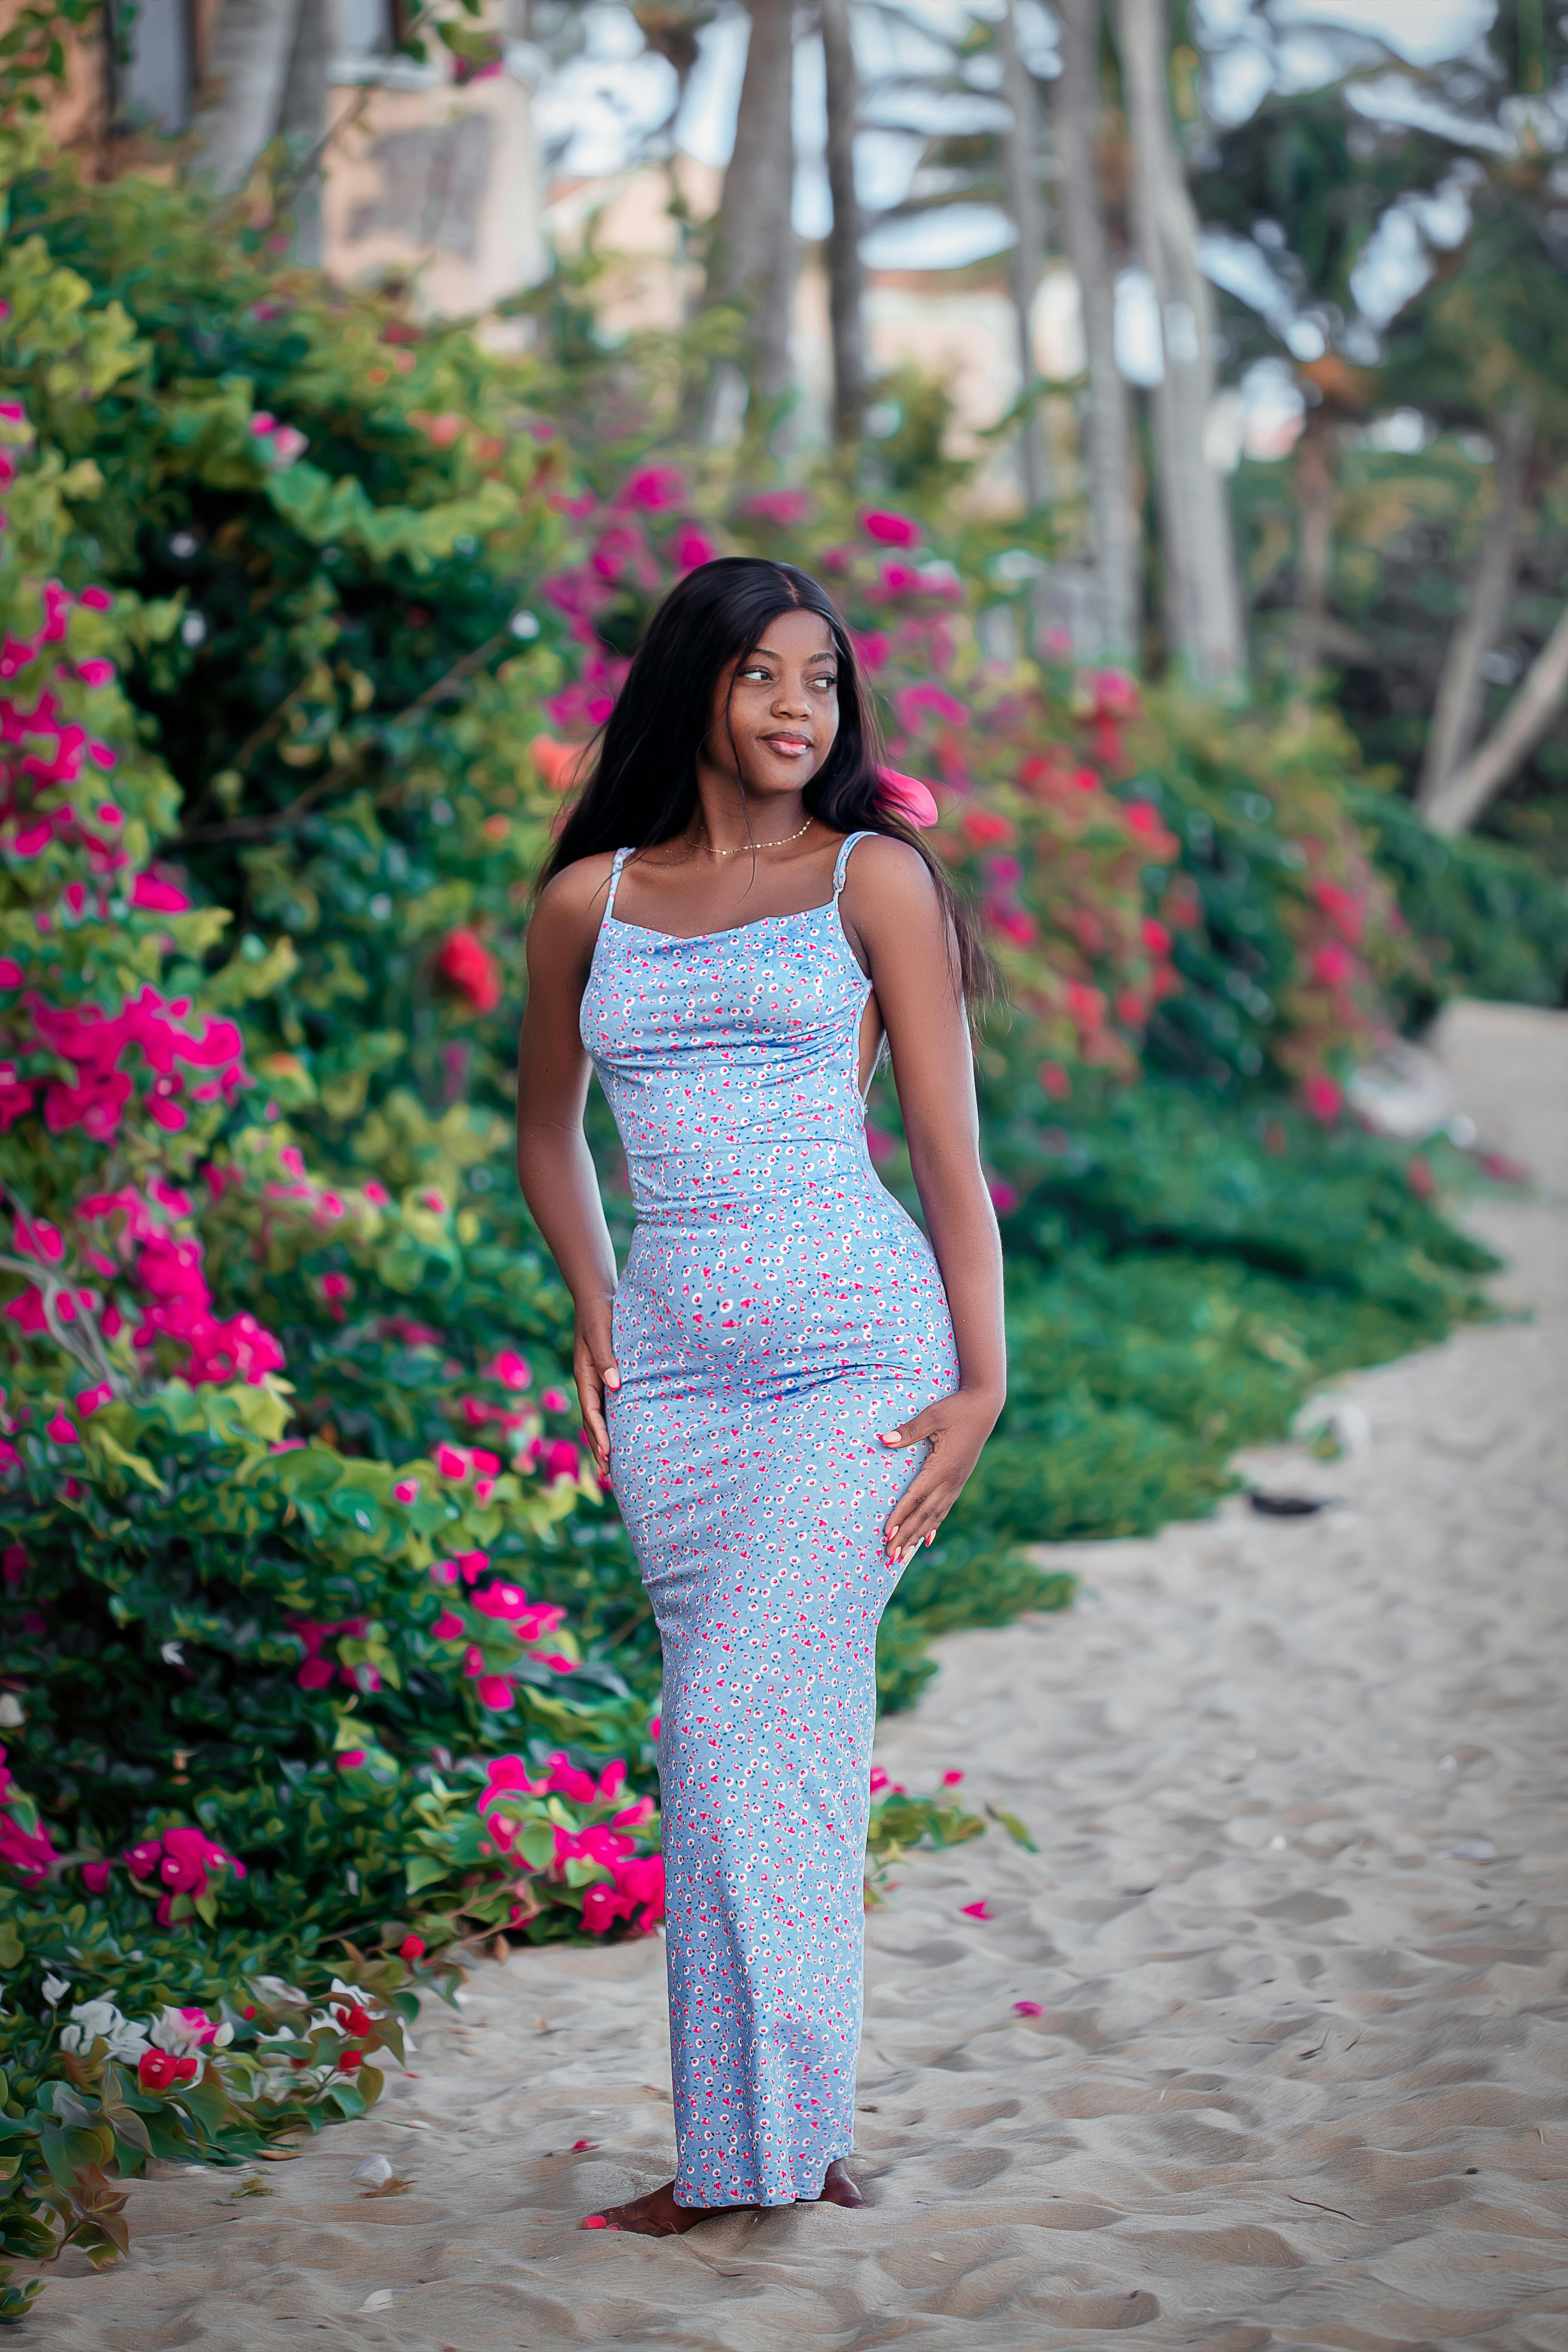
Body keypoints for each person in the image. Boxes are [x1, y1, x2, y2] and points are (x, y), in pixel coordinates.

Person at [515, 555, 1005, 2237]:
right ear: (695, 691)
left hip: (864, 1366)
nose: (800, 709)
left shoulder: (876, 880)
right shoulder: (590, 900)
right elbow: (543, 1129)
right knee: (768, 1748)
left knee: (723, 1725)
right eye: (763, 677)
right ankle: (795, 2129)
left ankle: (743, 2160)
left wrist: (983, 1380)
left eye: (824, 681)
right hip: (678, 1396)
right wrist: (595, 1301)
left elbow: (948, 1153)